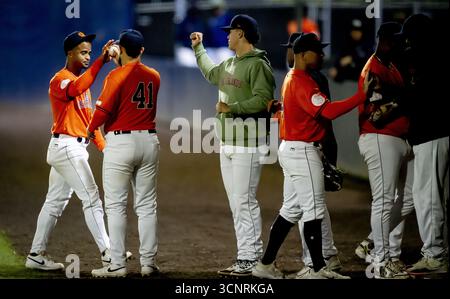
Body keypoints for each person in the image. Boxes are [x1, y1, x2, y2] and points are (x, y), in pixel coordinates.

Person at [251, 33, 370, 279]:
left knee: (290, 211)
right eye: (318, 51)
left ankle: (265, 265)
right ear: (304, 55)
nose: (323, 55)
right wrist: (361, 96)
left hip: (294, 148)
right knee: (314, 210)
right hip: (303, 150)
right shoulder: (302, 81)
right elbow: (329, 111)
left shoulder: (291, 78)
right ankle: (316, 269)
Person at [190, 14, 276, 277]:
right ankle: (245, 256)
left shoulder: (259, 65)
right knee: (236, 202)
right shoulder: (229, 63)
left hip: (248, 143)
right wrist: (198, 48)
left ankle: (250, 258)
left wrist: (233, 107)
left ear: (241, 33)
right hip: (228, 142)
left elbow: (264, 100)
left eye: (230, 32)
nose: (227, 35)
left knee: (244, 201)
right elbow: (210, 73)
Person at [25, 31, 115, 271]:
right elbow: (76, 87)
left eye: (89, 52)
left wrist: (108, 151)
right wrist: (101, 63)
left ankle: (35, 255)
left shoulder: (83, 84)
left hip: (72, 148)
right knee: (92, 198)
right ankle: (109, 255)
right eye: (82, 52)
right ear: (69, 53)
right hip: (66, 147)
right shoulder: (60, 80)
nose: (87, 56)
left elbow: (90, 125)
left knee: (54, 202)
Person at [89, 29, 161, 278]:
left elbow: (102, 113)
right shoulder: (155, 76)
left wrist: (90, 129)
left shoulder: (115, 76)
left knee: (116, 206)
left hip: (121, 143)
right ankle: (148, 263)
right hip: (149, 141)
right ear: (141, 50)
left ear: (121, 50)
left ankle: (117, 265)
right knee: (146, 206)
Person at [278, 32, 342, 277]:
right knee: (312, 205)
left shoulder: (309, 77)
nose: (288, 52)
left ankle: (315, 262)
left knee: (309, 208)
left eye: (290, 48)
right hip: (306, 147)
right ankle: (326, 256)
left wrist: (327, 154)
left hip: (310, 146)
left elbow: (322, 116)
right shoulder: (299, 77)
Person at [356, 22, 415, 279]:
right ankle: (381, 260)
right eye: (394, 40)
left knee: (409, 198)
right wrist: (406, 98)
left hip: (397, 138)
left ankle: (374, 244)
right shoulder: (375, 68)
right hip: (380, 137)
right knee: (383, 200)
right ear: (382, 40)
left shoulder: (391, 65)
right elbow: (378, 115)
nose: (400, 44)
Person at [397, 14, 449, 274]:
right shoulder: (436, 54)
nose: (406, 44)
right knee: (433, 196)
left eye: (408, 38)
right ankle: (438, 252)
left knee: (427, 197)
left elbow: (417, 97)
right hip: (436, 134)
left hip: (432, 134)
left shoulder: (428, 58)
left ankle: (435, 255)